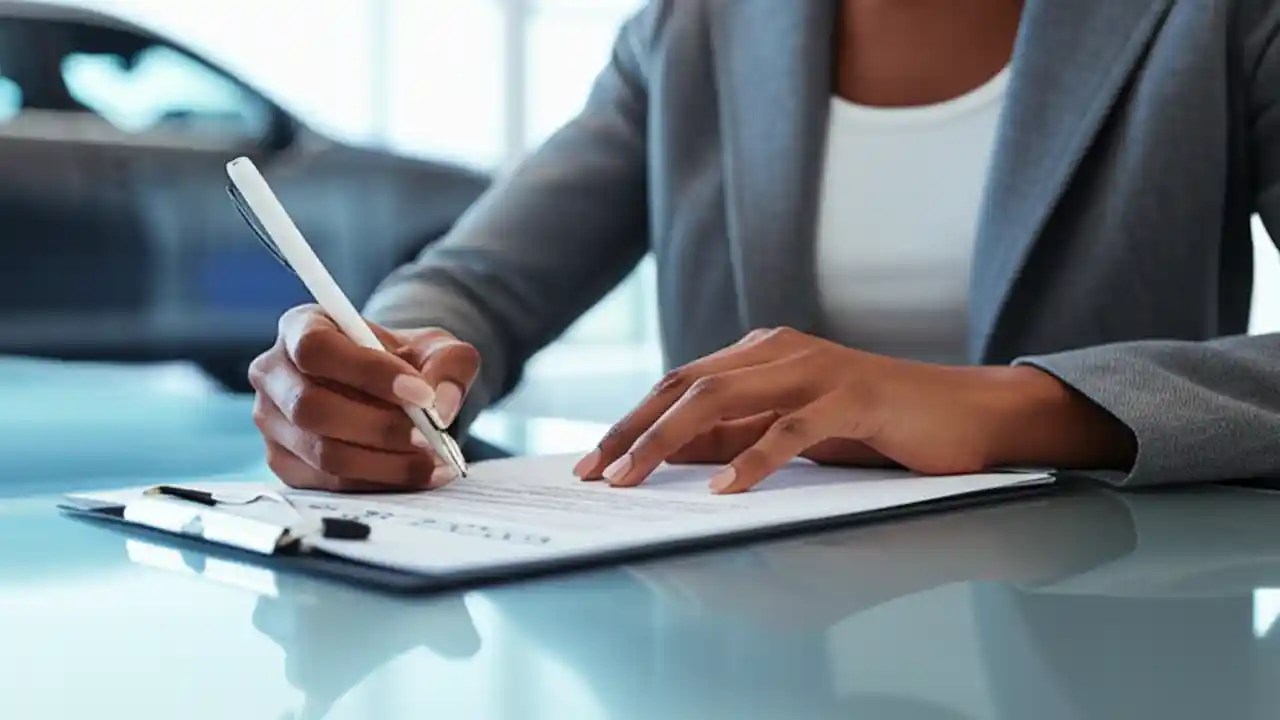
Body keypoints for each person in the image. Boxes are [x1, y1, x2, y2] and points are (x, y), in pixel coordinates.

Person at [248, 0, 1280, 494]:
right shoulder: (694, 30)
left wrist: (1009, 406)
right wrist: (377, 365)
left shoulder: (1221, 21)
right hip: (736, 643)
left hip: (1114, 636)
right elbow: (477, 283)